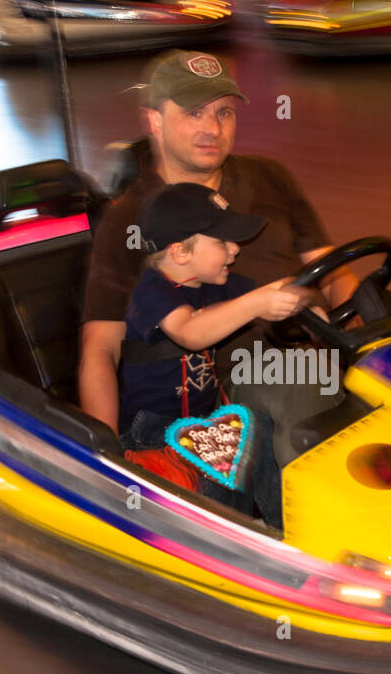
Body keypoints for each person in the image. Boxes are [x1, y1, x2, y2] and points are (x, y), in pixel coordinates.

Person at [80, 49, 391, 464]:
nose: (211, 128)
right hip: (244, 369)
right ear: (154, 120)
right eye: (193, 113)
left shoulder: (268, 176)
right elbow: (101, 348)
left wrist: (361, 337)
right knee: (309, 383)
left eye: (224, 112)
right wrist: (106, 459)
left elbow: (330, 268)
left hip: (329, 335)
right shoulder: (132, 217)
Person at [120, 182, 309, 529]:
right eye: (222, 242)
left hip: (201, 419)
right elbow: (190, 332)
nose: (235, 249)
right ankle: (254, 534)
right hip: (151, 431)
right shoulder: (151, 291)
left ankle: (282, 525)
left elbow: (273, 293)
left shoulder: (215, 284)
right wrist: (255, 303)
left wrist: (301, 303)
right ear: (180, 253)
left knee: (264, 425)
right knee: (245, 438)